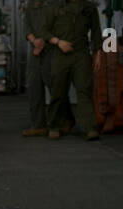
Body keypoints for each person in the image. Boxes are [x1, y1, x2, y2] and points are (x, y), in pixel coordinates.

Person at [38, 0, 102, 140]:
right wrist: (58, 42)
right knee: (58, 91)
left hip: (81, 53)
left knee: (84, 90)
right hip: (61, 54)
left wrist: (97, 53)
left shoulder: (89, 7)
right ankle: (54, 125)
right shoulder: (54, 7)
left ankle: (89, 128)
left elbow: (96, 30)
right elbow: (43, 31)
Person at [22, 0, 73, 136]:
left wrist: (45, 41)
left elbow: (60, 26)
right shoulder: (31, 5)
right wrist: (34, 41)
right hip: (35, 50)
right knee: (34, 86)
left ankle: (65, 120)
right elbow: (27, 26)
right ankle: (39, 125)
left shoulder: (56, 4)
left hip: (52, 49)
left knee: (55, 86)